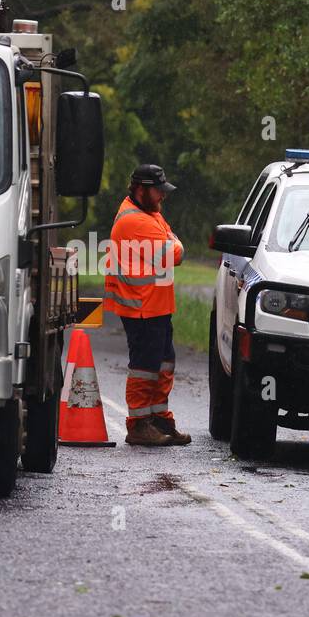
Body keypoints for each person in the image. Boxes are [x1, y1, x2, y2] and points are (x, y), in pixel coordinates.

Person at [103, 164, 192, 447]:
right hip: (142, 306)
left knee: (163, 363)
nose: (162, 197)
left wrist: (171, 240)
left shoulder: (149, 213)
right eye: (157, 191)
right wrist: (172, 241)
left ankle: (159, 419)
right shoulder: (136, 221)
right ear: (141, 190)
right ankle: (138, 425)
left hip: (156, 304)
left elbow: (171, 241)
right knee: (145, 366)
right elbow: (175, 253)